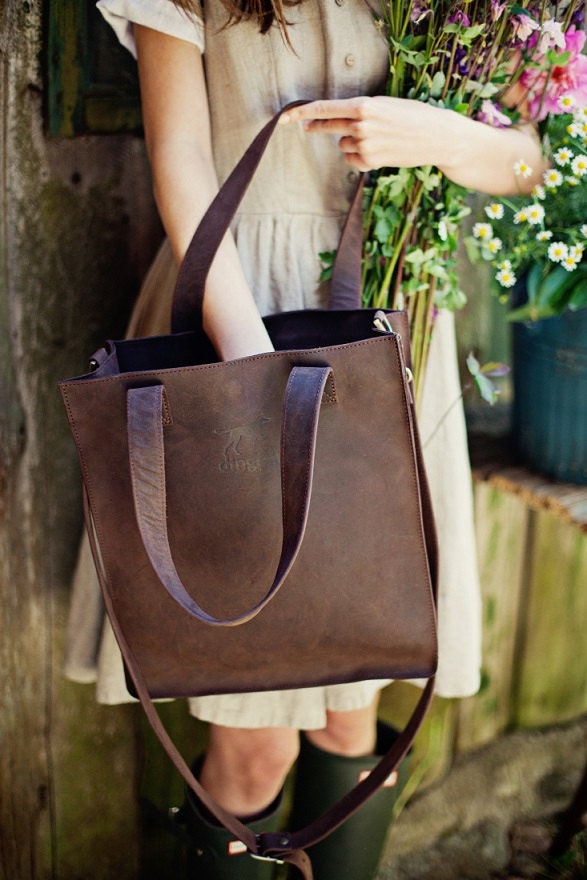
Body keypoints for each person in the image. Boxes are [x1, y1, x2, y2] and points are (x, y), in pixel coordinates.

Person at [64, 1, 546, 877]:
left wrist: (441, 136)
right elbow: (179, 154)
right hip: (235, 303)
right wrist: (257, 375)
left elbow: (529, 164)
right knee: (254, 744)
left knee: (351, 710)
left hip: (384, 324)